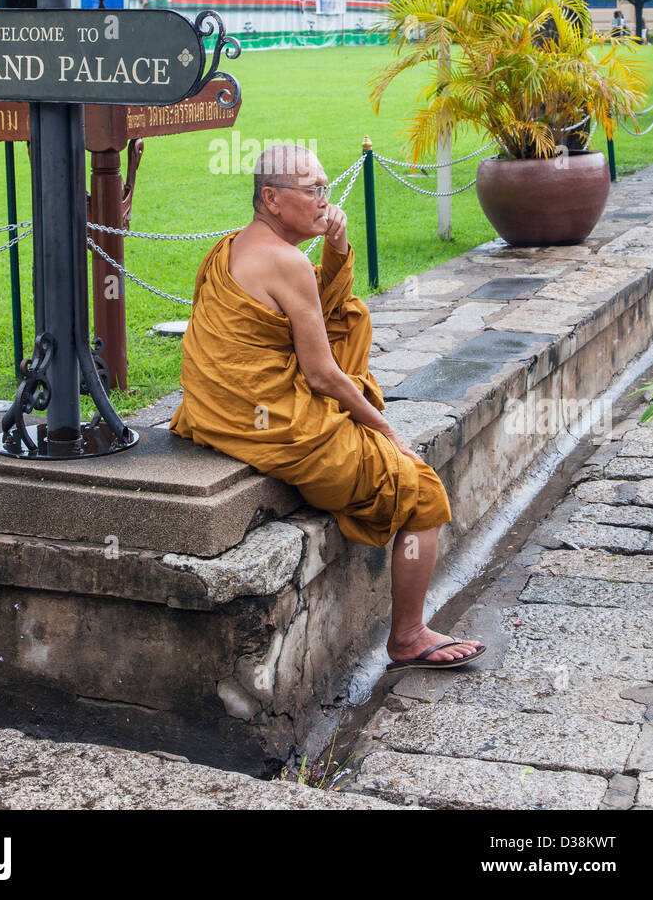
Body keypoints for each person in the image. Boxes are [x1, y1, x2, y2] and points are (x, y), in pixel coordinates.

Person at [169, 144, 486, 672]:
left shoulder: (230, 247)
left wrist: (335, 246)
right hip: (279, 424)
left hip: (215, 413)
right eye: (312, 190)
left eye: (325, 186)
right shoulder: (289, 261)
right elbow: (320, 373)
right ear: (271, 198)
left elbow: (314, 318)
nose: (325, 199)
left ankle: (409, 629)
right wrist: (386, 430)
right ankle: (408, 636)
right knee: (423, 492)